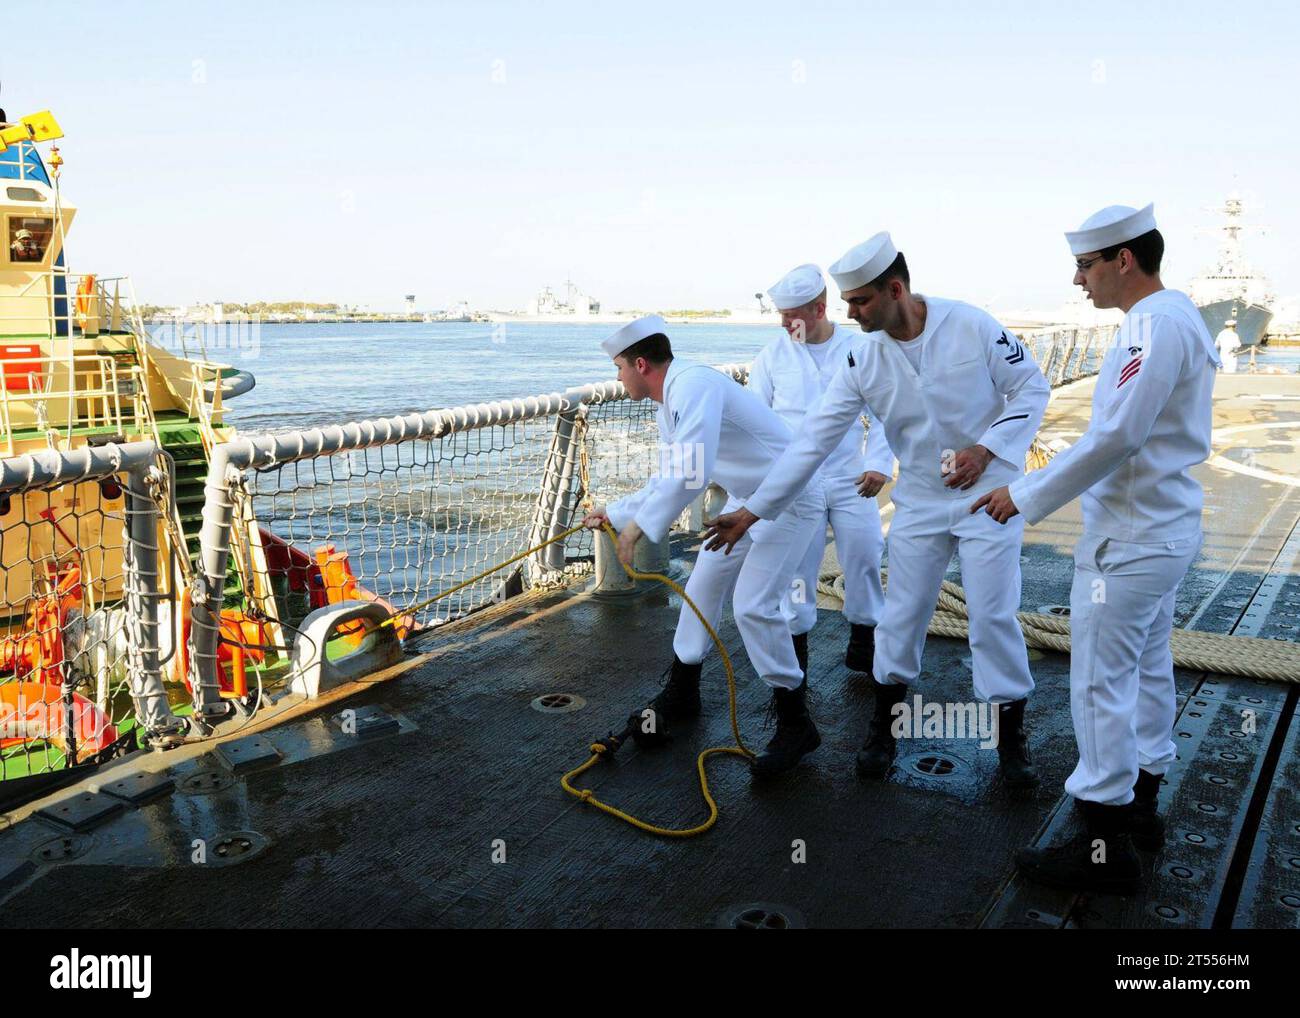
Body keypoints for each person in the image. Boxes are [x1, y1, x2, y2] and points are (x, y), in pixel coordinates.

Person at [705, 233, 1049, 787]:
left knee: (992, 613)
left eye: (859, 301)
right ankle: (883, 730)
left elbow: (1031, 389)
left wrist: (987, 449)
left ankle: (1011, 741)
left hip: (989, 495)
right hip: (920, 499)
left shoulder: (972, 325)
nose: (849, 312)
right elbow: (812, 442)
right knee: (903, 613)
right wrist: (754, 512)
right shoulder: (861, 357)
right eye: (846, 302)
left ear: (895, 289)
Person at [972, 203, 1221, 893]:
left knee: (1098, 683)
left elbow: (1116, 435)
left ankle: (1102, 845)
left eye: (1085, 265)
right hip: (1162, 531)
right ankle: (1142, 808)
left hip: (1131, 540)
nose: (1078, 280)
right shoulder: (1180, 317)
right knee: (1143, 668)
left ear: (1124, 260)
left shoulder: (1152, 324)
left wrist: (1021, 495)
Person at [582, 315, 824, 777]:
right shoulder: (669, 399)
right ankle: (683, 688)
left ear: (640, 364)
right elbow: (670, 475)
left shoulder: (692, 386)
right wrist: (616, 513)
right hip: (745, 499)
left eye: (618, 368)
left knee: (753, 607)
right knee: (702, 587)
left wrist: (635, 530)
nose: (617, 377)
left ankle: (797, 723)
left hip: (790, 501)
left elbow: (692, 473)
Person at [748, 263, 895, 677]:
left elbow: (884, 412)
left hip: (851, 475)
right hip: (797, 480)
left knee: (865, 554)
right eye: (780, 315)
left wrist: (879, 463)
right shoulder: (771, 357)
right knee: (797, 569)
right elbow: (754, 418)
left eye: (790, 314)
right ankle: (797, 651)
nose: (783, 323)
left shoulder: (859, 349)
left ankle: (864, 637)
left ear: (819, 307)